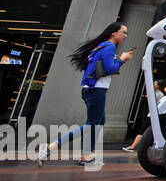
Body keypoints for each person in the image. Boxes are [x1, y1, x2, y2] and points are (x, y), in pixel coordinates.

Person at [37, 20, 135, 165]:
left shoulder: (101, 46)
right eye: (123, 32)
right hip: (97, 90)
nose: (126, 35)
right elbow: (109, 69)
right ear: (114, 33)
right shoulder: (109, 47)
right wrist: (122, 59)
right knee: (92, 124)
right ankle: (51, 147)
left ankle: (87, 156)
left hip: (91, 89)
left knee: (99, 122)